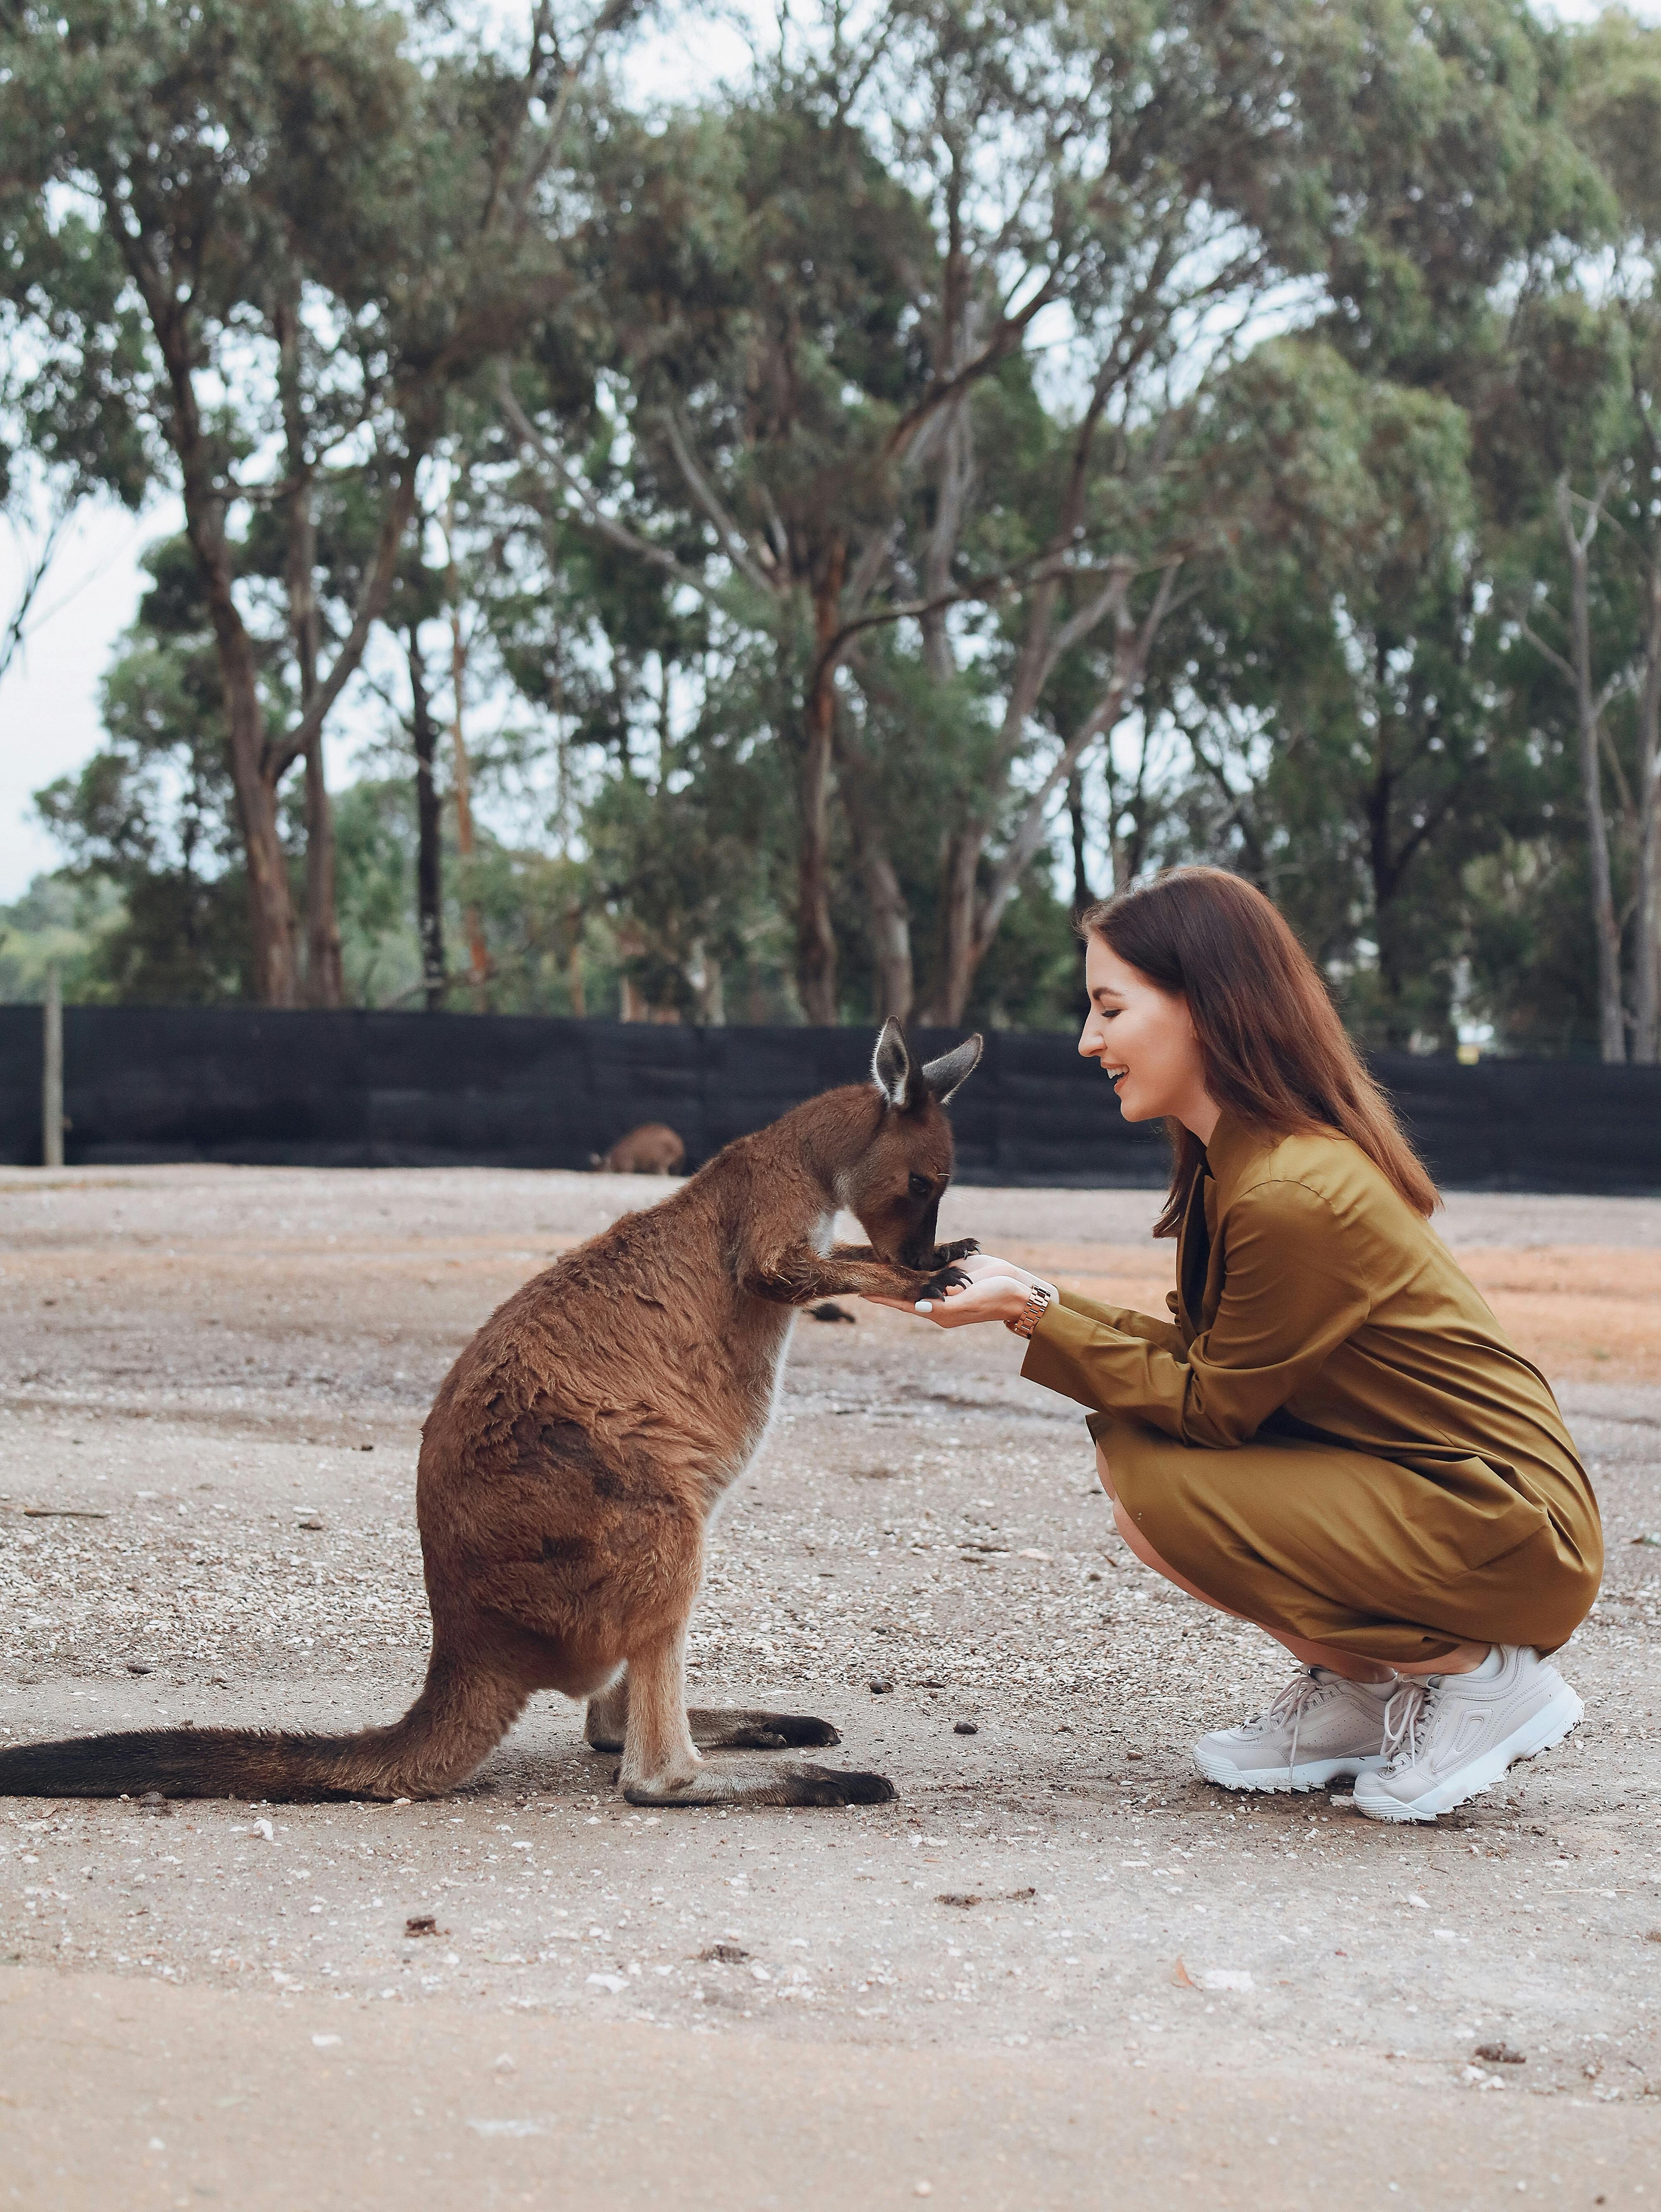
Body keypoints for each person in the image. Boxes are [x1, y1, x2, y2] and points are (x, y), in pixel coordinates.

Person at [872, 868, 1600, 1823]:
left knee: (1161, 1482)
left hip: (1505, 1529)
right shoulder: (1243, 1159)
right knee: (1136, 1459)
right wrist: (1029, 1296)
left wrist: (1033, 1314)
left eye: (1108, 1008)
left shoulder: (1289, 1188)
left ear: (1203, 1010)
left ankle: (1478, 1676)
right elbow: (1205, 1359)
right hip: (1438, 1494)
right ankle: (1360, 1694)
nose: (1088, 1040)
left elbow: (1212, 1407)